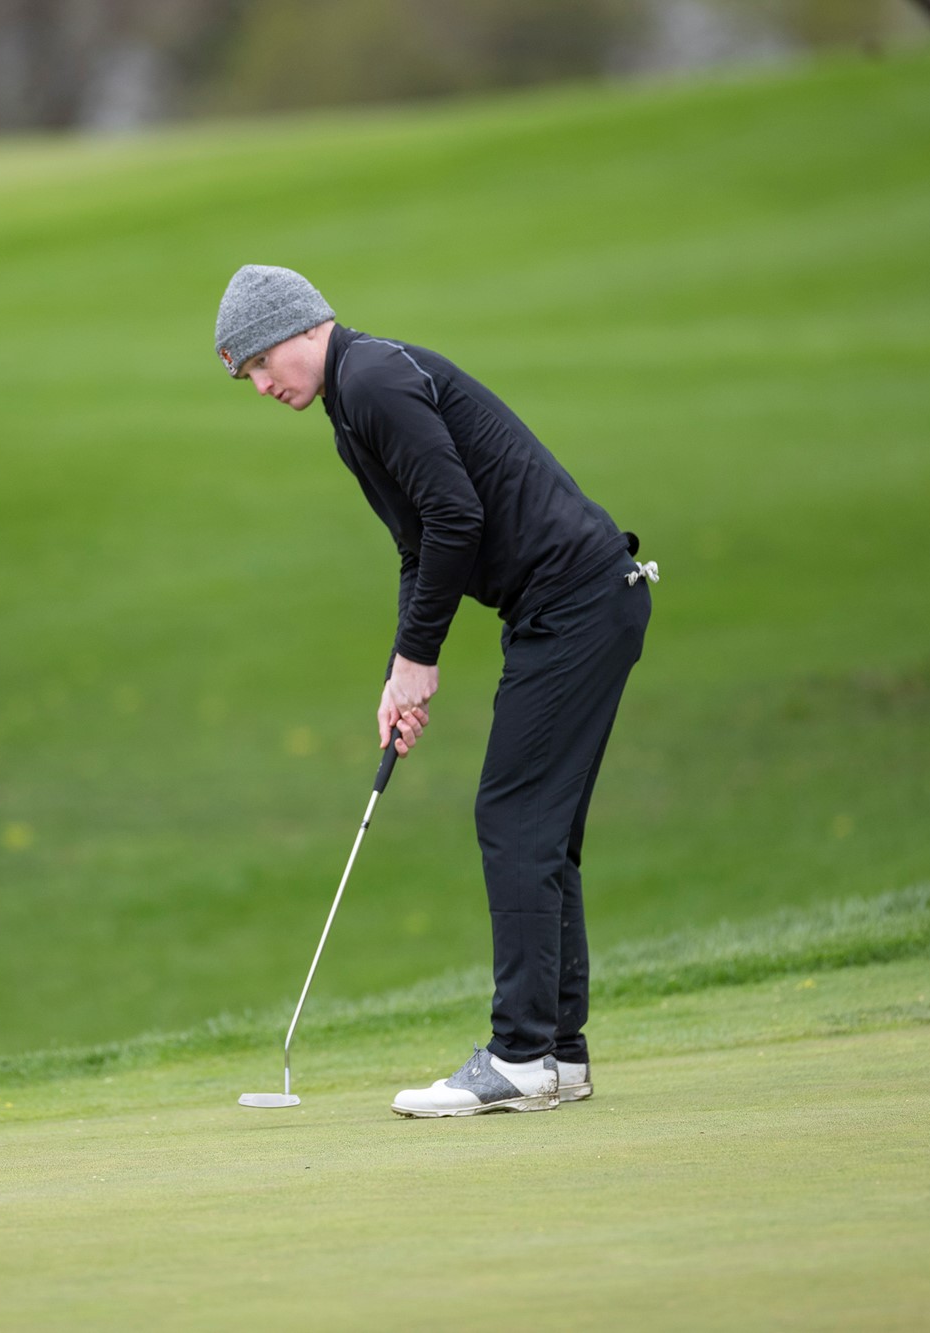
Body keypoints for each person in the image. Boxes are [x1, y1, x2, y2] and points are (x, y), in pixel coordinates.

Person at [214, 264, 655, 1118]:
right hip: (577, 603)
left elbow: (460, 515)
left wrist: (423, 653)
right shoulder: (354, 408)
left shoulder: (372, 378)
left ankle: (521, 1054)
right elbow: (422, 545)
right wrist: (401, 672)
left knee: (515, 817)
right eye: (246, 378)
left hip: (577, 600)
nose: (261, 384)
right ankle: (559, 1054)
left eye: (262, 362)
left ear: (304, 328)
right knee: (542, 829)